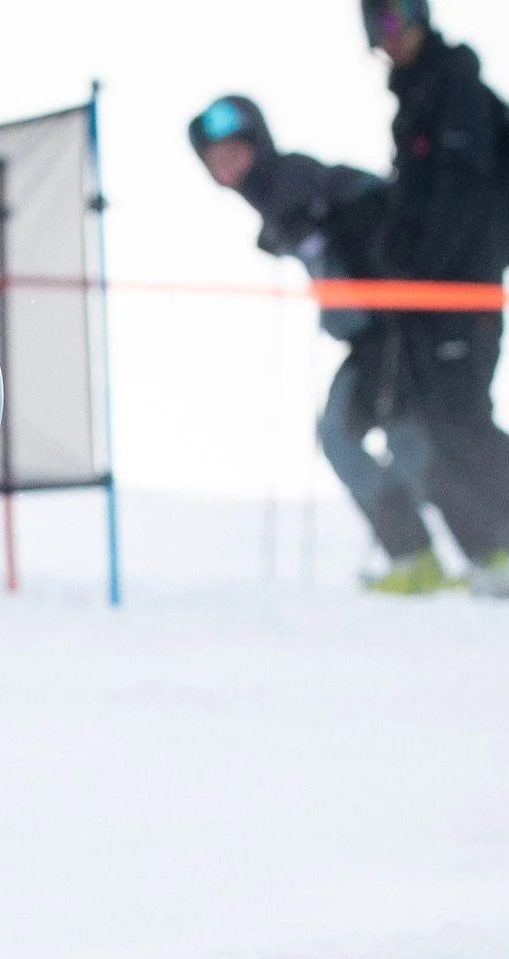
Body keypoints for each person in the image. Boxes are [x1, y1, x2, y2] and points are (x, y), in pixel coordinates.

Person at [188, 95, 454, 595]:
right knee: (373, 437)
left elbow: (366, 203)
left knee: (393, 440)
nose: (225, 164)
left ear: (258, 144)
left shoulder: (287, 179)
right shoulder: (276, 193)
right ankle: (420, 557)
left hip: (389, 333)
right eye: (214, 157)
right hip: (376, 334)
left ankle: (444, 552)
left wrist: (334, 255)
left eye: (234, 149)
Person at [362, 0, 509, 598]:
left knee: (466, 422)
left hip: (460, 289)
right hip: (440, 291)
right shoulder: (423, 93)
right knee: (445, 425)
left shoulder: (451, 87)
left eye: (398, 19)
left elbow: (459, 194)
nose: (389, 36)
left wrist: (419, 273)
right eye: (377, 26)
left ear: (422, 16)